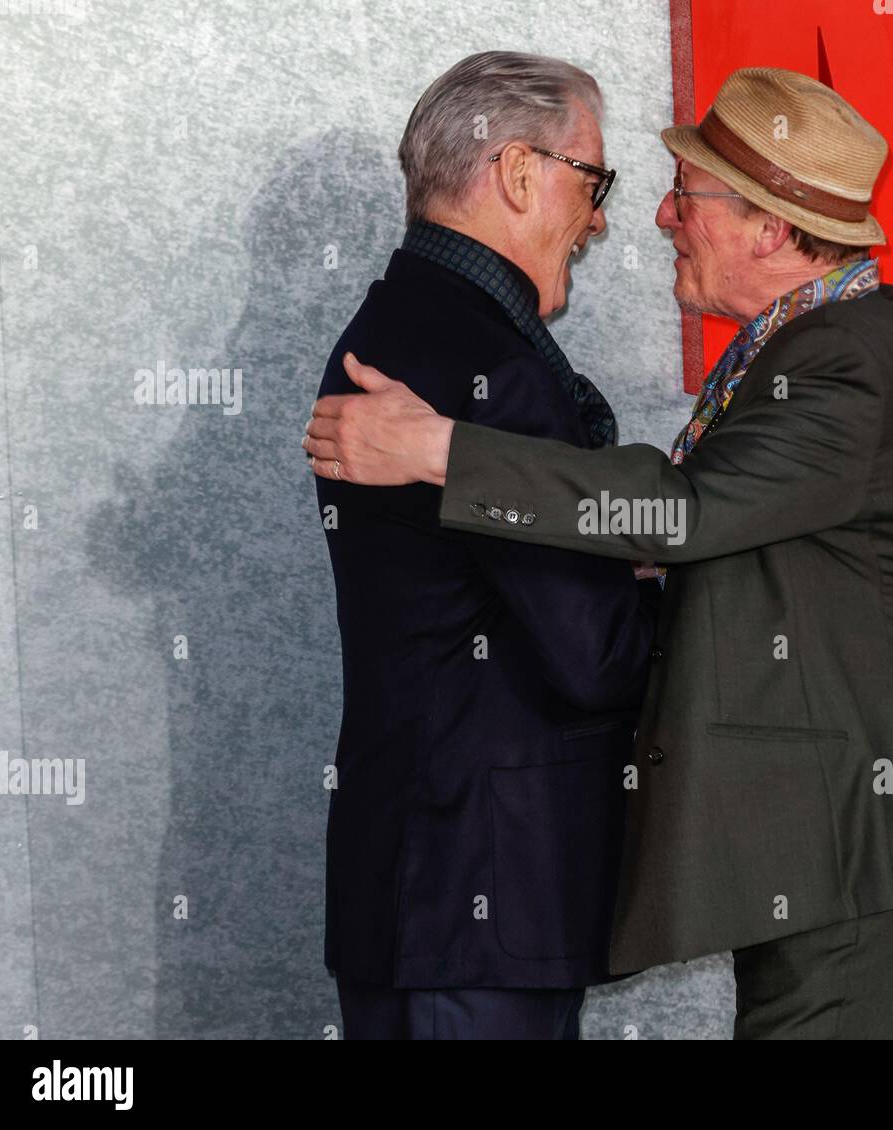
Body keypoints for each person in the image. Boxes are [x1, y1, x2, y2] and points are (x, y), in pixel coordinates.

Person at [307, 66, 893, 1039]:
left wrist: (440, 447)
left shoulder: (850, 351)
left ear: (768, 224)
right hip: (806, 853)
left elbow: (691, 510)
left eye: (689, 195)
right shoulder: (797, 349)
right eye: (607, 182)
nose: (653, 217)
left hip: (861, 853)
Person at [312, 50, 658, 1040]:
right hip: (485, 900)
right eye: (592, 182)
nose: (597, 220)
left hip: (412, 888)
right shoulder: (495, 368)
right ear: (518, 173)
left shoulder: (390, 327)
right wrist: (665, 578)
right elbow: (595, 657)